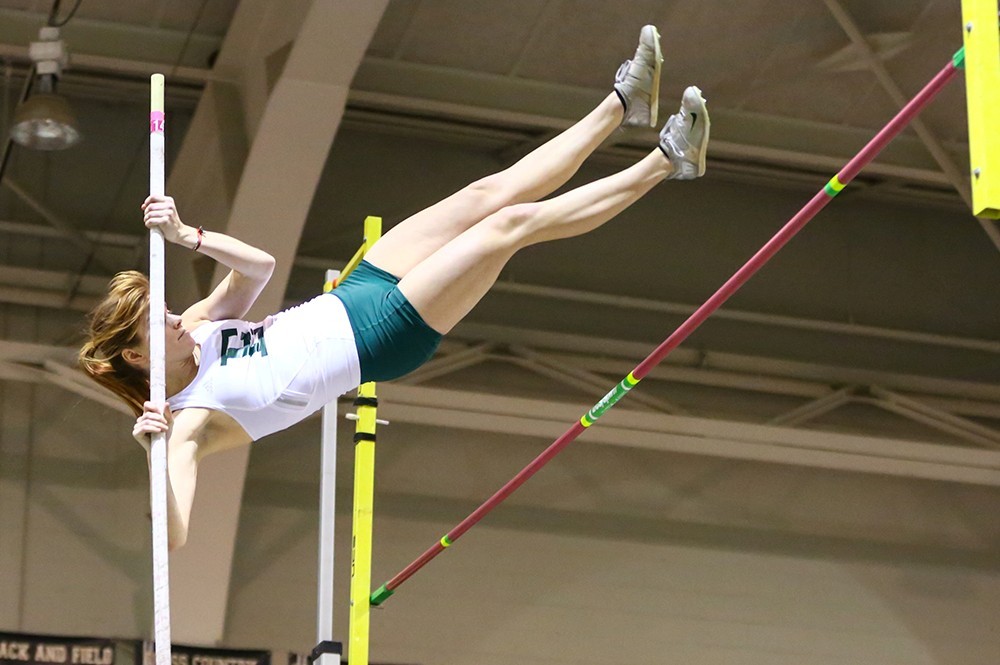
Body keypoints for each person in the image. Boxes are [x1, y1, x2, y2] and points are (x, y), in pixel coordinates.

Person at [78, 25, 709, 549]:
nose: (172, 316)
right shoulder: (189, 423)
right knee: (509, 227)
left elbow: (260, 268)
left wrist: (188, 234)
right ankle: (666, 160)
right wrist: (154, 451)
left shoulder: (197, 325)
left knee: (487, 194)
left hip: (355, 292)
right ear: (136, 355)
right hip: (381, 337)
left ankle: (623, 103)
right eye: (156, 322)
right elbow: (171, 536)